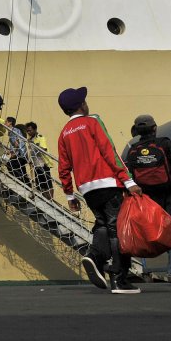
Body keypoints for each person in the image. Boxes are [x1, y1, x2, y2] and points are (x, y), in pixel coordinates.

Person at [56, 86, 142, 294]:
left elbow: (64, 167)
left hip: (87, 189)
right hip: (109, 183)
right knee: (118, 229)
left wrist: (69, 194)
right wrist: (128, 181)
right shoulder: (92, 122)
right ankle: (119, 279)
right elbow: (109, 151)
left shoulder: (64, 133)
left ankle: (95, 256)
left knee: (103, 223)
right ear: (81, 105)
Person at [122, 114, 171, 285]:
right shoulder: (164, 143)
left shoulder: (132, 149)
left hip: (149, 199)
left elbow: (129, 176)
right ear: (154, 128)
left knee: (164, 232)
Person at [26, 122, 55, 200]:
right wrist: (30, 160)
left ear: (35, 130)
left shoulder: (40, 137)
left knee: (47, 184)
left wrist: (34, 144)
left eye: (30, 130)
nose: (28, 132)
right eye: (27, 131)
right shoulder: (29, 140)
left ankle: (50, 200)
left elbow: (43, 149)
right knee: (40, 185)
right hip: (36, 165)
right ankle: (45, 199)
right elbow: (31, 152)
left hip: (43, 164)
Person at [5, 117, 30, 185]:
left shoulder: (13, 131)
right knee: (21, 169)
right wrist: (10, 151)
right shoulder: (14, 131)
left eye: (6, 122)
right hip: (23, 154)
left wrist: (12, 152)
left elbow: (17, 143)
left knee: (9, 164)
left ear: (10, 123)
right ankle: (27, 184)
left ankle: (18, 181)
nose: (4, 123)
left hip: (20, 154)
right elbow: (15, 143)